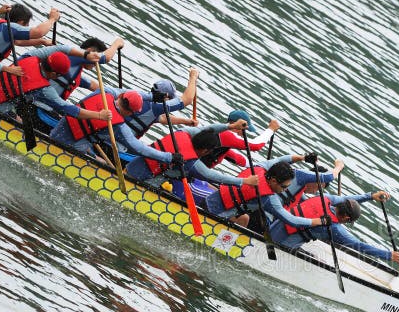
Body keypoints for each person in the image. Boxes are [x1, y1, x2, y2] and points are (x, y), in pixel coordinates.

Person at [49, 87, 174, 167]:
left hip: (57, 131)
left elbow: (124, 91)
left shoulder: (106, 92)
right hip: (70, 148)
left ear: (120, 97)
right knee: (104, 164)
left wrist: (151, 96)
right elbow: (139, 148)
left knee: (95, 152)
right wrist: (169, 157)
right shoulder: (117, 126)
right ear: (131, 113)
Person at [125, 121, 257, 196]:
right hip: (141, 183)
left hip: (130, 168)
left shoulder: (183, 132)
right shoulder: (190, 162)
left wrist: (229, 126)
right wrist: (244, 181)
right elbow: (214, 176)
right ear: (206, 151)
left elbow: (207, 129)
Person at [268, 190, 399, 263]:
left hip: (273, 227)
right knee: (315, 262)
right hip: (278, 243)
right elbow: (359, 246)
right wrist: (388, 255)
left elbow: (347, 198)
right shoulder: (334, 228)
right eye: (348, 222)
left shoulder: (326, 198)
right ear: (346, 218)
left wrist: (371, 196)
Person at [204, 155, 327, 229]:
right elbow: (291, 220)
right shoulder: (268, 198)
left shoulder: (260, 168)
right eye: (284, 187)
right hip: (211, 216)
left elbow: (282, 159)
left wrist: (303, 157)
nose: (285, 190)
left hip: (208, 203)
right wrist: (318, 221)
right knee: (245, 218)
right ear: (273, 180)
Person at [32, 36, 124, 131]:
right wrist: (117, 43)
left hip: (47, 108)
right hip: (38, 109)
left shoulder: (74, 69)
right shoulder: (75, 56)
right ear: (90, 51)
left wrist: (117, 97)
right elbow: (106, 58)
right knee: (75, 130)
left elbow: (93, 85)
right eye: (95, 62)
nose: (95, 66)